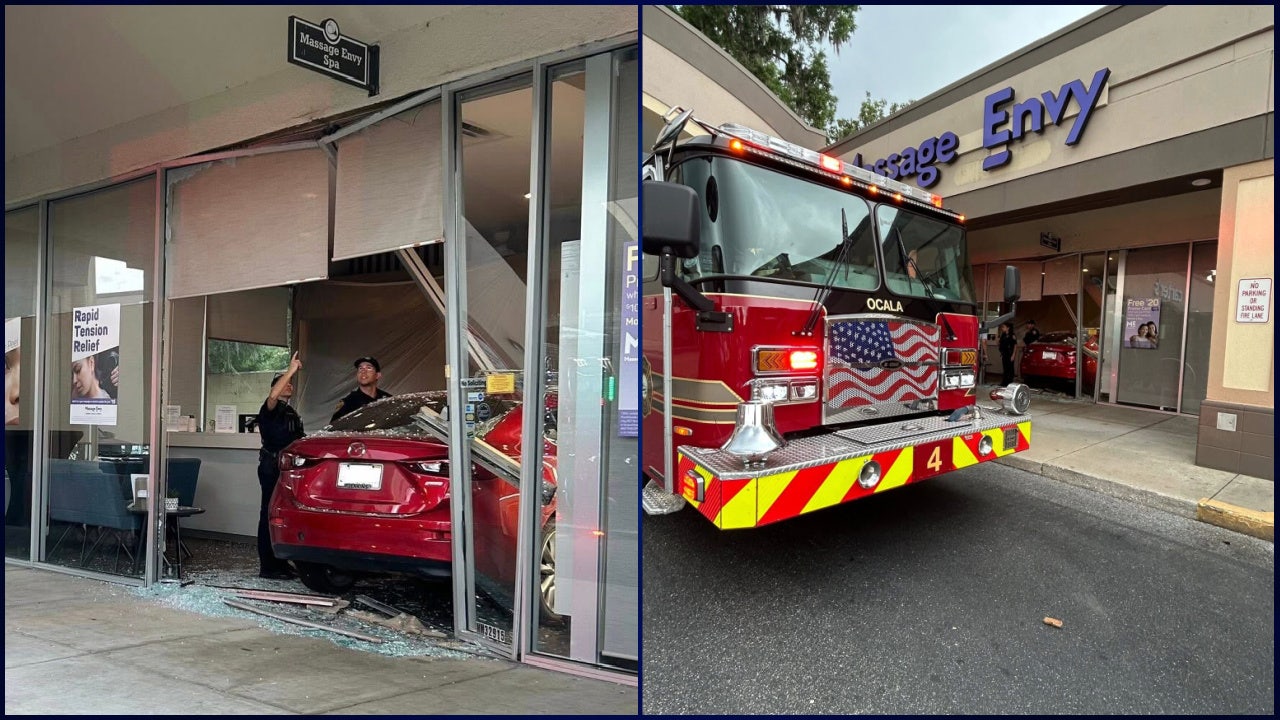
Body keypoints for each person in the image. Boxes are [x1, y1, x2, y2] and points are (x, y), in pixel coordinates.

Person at [256, 352, 304, 580]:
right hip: (271, 465)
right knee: (268, 513)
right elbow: (273, 395)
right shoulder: (270, 408)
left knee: (282, 515)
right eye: (285, 382)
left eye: (291, 384)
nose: (289, 386)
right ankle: (269, 566)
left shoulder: (290, 412)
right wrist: (291, 369)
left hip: (287, 467)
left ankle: (281, 563)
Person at [331, 356, 391, 423]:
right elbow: (333, 430)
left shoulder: (388, 400)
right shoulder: (348, 403)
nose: (363, 371)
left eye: (369, 368)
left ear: (377, 375)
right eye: (360, 368)